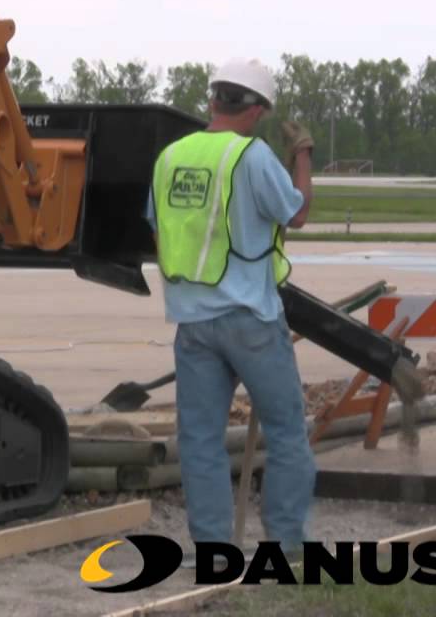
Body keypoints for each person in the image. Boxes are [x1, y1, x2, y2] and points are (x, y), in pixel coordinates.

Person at [144, 58, 316, 558]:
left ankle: (215, 553)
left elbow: (159, 231)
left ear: (213, 100)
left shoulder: (170, 158)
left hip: (192, 322)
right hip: (250, 320)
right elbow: (298, 212)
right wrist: (302, 154)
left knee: (199, 442)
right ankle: (285, 549)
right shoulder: (253, 156)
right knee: (286, 434)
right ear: (257, 110)